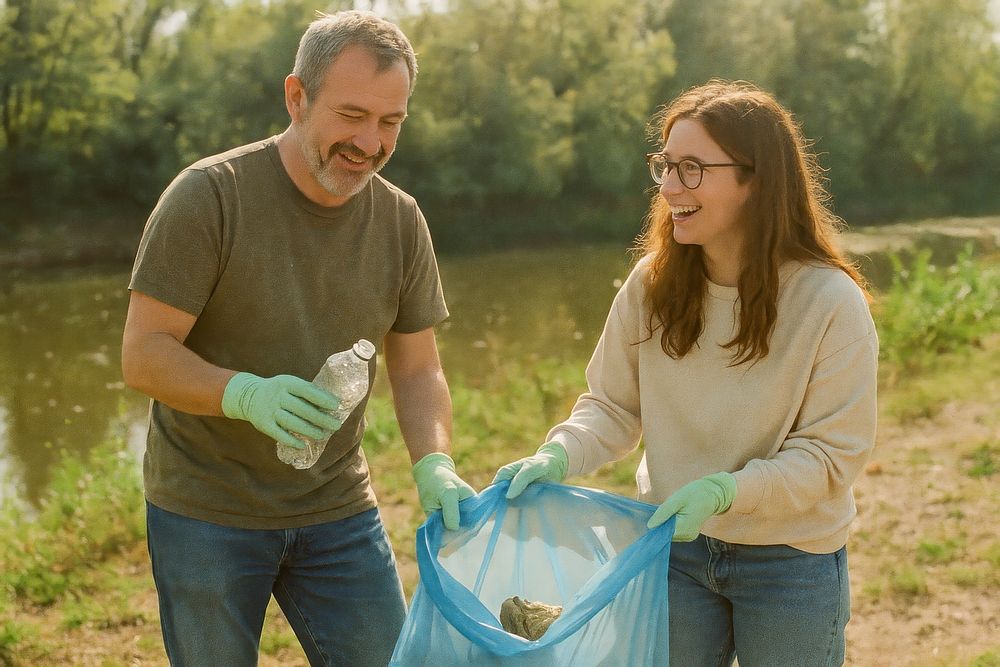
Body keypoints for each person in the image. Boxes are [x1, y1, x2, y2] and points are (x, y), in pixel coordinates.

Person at [121, 10, 474, 666]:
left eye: (391, 122)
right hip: (206, 506)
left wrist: (434, 461)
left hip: (337, 505)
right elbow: (143, 353)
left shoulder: (400, 220)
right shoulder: (209, 197)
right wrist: (243, 394)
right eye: (352, 115)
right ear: (296, 96)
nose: (370, 142)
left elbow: (419, 369)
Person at [494, 80, 877, 666]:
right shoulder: (651, 284)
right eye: (666, 166)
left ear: (756, 180)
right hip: (674, 549)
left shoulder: (829, 301)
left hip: (791, 560)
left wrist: (728, 491)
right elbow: (612, 407)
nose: (670, 187)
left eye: (692, 168)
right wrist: (558, 455)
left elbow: (832, 455)